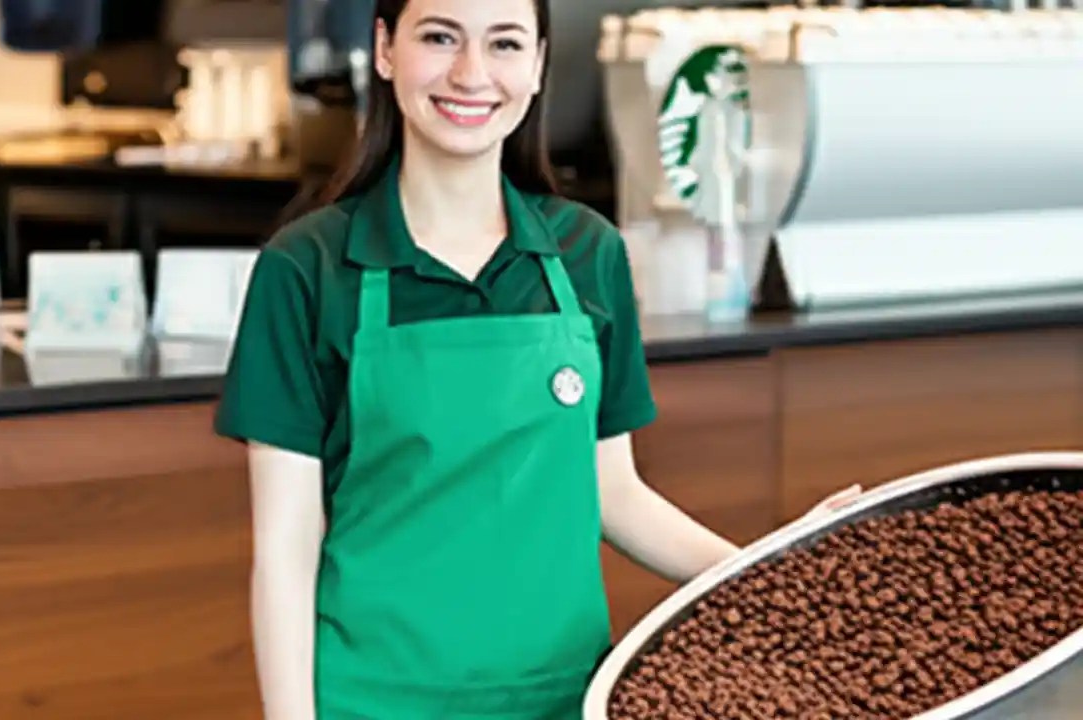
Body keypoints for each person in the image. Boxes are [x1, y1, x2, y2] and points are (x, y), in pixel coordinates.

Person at [215, 1, 858, 717]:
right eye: (440, 37)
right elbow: (286, 548)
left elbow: (612, 492)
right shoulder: (306, 268)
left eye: (505, 44)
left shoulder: (587, 254)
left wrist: (773, 569)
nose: (471, 74)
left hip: (563, 698)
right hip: (372, 700)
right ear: (386, 49)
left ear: (539, 64)